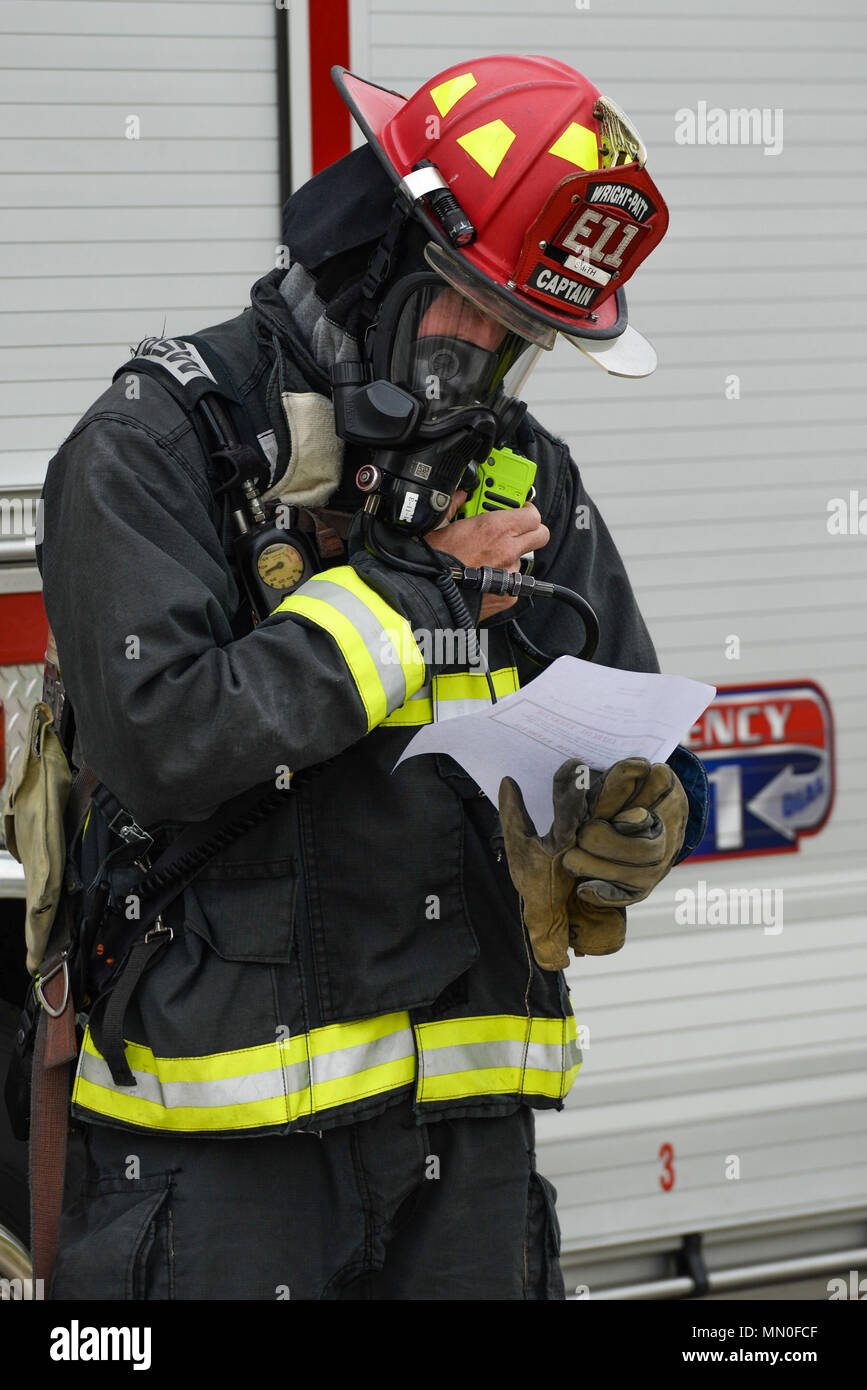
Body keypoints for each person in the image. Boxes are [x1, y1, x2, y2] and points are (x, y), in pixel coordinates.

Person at [36, 55, 707, 1300]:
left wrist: (645, 818)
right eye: (474, 311)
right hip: (220, 1185)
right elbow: (162, 738)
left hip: (472, 1159)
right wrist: (413, 597)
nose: (493, 361)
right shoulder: (156, 446)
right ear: (377, 252)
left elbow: (638, 733)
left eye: (525, 336)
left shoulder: (520, 470)